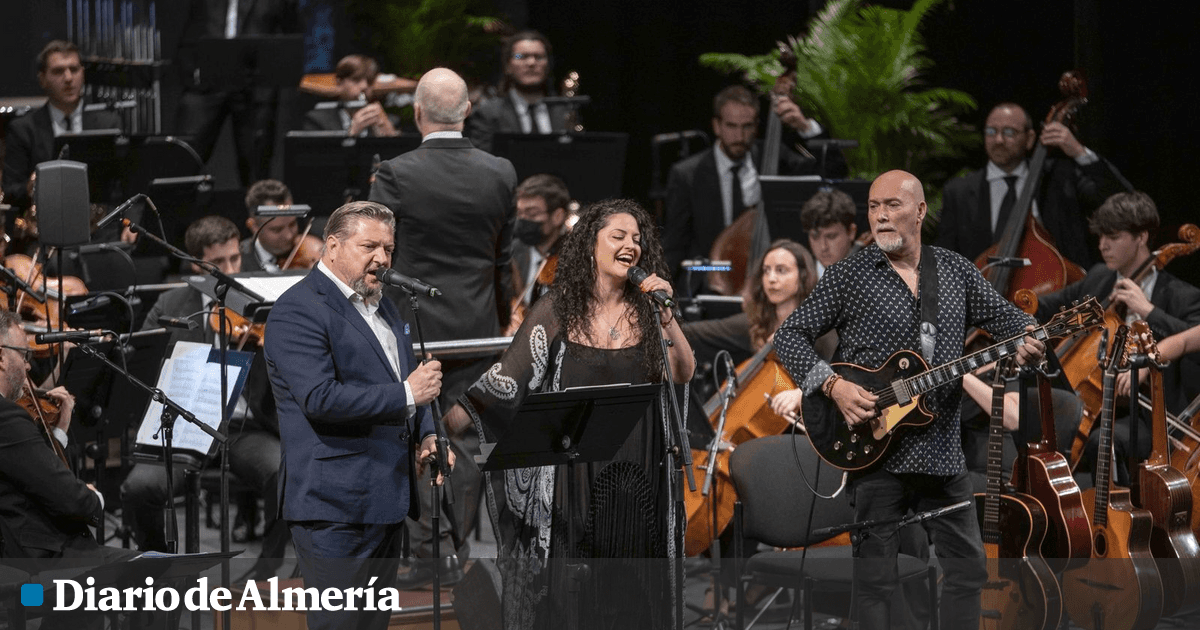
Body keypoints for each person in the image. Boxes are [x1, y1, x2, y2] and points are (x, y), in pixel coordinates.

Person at [774, 170, 1046, 629]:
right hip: (874, 451)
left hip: (941, 450)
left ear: (920, 212)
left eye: (892, 206)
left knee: (969, 571)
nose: (880, 216)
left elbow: (1012, 321)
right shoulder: (849, 275)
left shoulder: (956, 270)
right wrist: (833, 386)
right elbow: (790, 336)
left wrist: (1029, 338)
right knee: (876, 583)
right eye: (874, 207)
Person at [444, 198, 694, 629]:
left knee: (633, 587)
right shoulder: (558, 308)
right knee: (577, 590)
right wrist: (440, 427)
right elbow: (505, 380)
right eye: (618, 236)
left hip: (639, 474)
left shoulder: (649, 309)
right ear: (589, 245)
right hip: (573, 478)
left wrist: (668, 316)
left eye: (637, 238)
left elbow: (683, 372)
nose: (630, 245)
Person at [263, 200, 449, 630]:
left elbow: (411, 383)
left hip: (386, 494)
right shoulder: (297, 309)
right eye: (369, 246)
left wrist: (426, 434)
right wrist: (406, 393)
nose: (382, 259)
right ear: (332, 245)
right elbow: (320, 398)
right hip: (333, 506)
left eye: (388, 248)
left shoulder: (383, 304)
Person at [369, 67, 516, 584]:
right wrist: (500, 327)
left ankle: (429, 555)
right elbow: (502, 263)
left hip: (414, 332)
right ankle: (456, 552)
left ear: (416, 113)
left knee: (417, 438)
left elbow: (378, 261)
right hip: (480, 330)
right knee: (468, 441)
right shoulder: (500, 172)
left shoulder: (395, 173)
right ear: (468, 110)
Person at [121, 216, 280, 553]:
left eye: (235, 259)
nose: (229, 271)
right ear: (196, 264)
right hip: (183, 426)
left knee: (286, 474)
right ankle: (161, 564)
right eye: (217, 263)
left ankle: (273, 566)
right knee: (139, 489)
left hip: (243, 429)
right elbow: (145, 367)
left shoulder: (262, 304)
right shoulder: (171, 305)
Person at [1034, 191, 1200, 485]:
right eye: (1100, 236)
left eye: (1113, 236)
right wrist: (1021, 306)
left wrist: (1148, 311)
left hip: (1155, 418)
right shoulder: (1101, 278)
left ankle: (1124, 521)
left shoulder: (1180, 295)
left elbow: (1193, 345)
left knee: (1105, 441)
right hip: (1096, 405)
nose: (1103, 245)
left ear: (1141, 237)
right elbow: (1049, 305)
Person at [662, 85, 845, 280]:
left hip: (766, 275)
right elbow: (674, 244)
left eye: (747, 126)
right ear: (717, 126)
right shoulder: (686, 175)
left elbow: (833, 174)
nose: (739, 136)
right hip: (709, 275)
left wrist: (805, 127)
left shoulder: (774, 157)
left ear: (756, 126)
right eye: (731, 126)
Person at [937, 102, 1129, 268]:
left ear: (1030, 139)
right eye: (991, 131)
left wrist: (1078, 152)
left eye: (1009, 132)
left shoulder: (1059, 177)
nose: (999, 140)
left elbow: (1122, 201)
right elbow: (945, 257)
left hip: (1055, 294)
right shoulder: (958, 191)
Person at [173, 0, 299, 186]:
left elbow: (291, 29)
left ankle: (257, 212)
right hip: (207, 80)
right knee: (183, 158)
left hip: (255, 83)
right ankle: (173, 210)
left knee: (256, 168)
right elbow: (193, 26)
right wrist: (191, 71)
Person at [2, 40, 122, 210]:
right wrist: (30, 188)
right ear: (42, 79)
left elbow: (124, 184)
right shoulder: (23, 129)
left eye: (74, 69)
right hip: (46, 226)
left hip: (102, 227)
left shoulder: (109, 123)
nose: (68, 78)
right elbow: (10, 192)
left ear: (83, 73)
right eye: (58, 71)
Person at [466, 30, 570, 154]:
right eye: (521, 57)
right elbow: (482, 162)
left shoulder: (564, 111)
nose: (531, 63)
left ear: (548, 65)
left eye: (539, 57)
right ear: (508, 66)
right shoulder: (488, 114)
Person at [508, 173, 571, 334]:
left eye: (532, 213)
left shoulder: (575, 256)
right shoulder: (512, 251)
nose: (522, 220)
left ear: (557, 216)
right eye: (520, 213)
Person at [302, 54, 399, 137]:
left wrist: (390, 136)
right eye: (356, 80)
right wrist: (351, 134)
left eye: (369, 82)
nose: (364, 86)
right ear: (339, 82)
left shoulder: (388, 120)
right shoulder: (317, 121)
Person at [241, 178, 301, 273]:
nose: (289, 236)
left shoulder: (308, 253)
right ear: (254, 227)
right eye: (277, 230)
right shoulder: (237, 262)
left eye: (292, 224)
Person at [801, 188, 862, 279]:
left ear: (851, 232)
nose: (823, 247)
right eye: (815, 236)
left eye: (831, 236)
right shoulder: (798, 278)